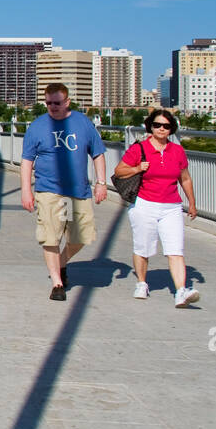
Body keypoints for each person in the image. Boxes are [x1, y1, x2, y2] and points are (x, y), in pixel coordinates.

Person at [20, 83, 107, 301]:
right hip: (49, 190)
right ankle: (57, 283)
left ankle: (61, 263)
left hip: (77, 192)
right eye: (48, 103)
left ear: (67, 102)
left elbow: (97, 153)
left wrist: (101, 183)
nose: (52, 107)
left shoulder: (82, 123)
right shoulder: (37, 127)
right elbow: (27, 161)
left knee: (80, 237)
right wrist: (26, 191)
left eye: (57, 103)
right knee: (51, 236)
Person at [113, 109, 199, 307]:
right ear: (150, 127)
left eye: (166, 126)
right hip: (145, 204)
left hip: (172, 206)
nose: (161, 129)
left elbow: (184, 178)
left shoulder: (177, 151)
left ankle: (180, 291)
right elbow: (119, 171)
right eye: (157, 125)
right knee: (143, 247)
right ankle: (142, 283)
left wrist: (192, 203)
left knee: (175, 249)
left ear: (171, 129)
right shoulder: (139, 149)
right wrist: (137, 168)